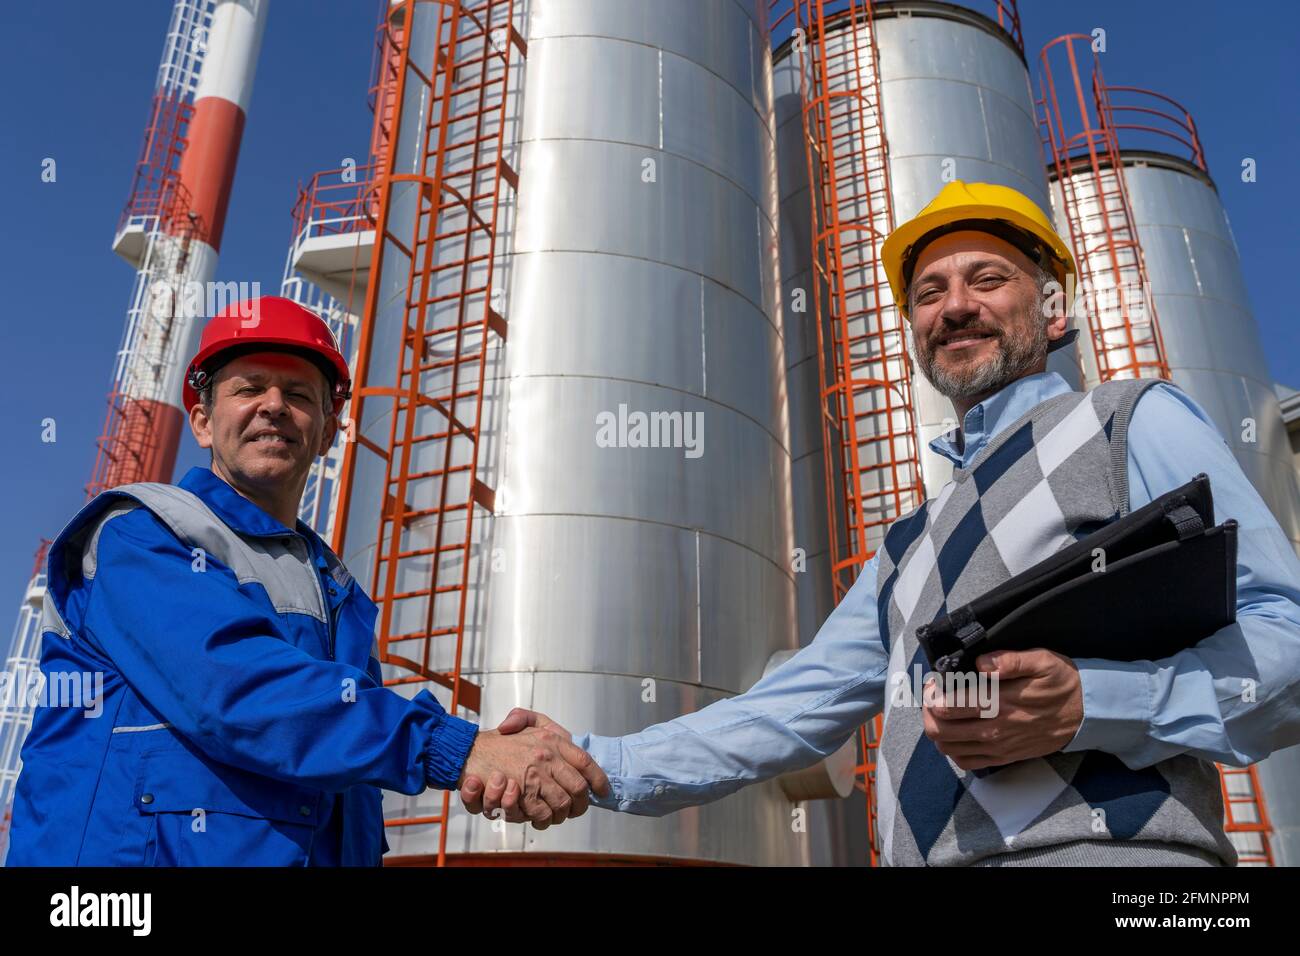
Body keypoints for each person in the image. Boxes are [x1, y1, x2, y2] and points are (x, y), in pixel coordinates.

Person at [459, 181, 1300, 866]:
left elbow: (1285, 642)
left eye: (988, 279)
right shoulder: (908, 545)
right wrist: (599, 761)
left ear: (1053, 312)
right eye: (929, 293)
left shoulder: (1129, 422)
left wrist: (1101, 703)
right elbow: (787, 710)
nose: (956, 306)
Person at [7, 295, 607, 866]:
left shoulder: (336, 594)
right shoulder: (141, 536)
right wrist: (460, 747)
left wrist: (503, 762)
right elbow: (238, 692)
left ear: (326, 432)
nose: (273, 405)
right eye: (248, 389)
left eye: (297, 394)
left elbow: (336, 761)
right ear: (203, 421)